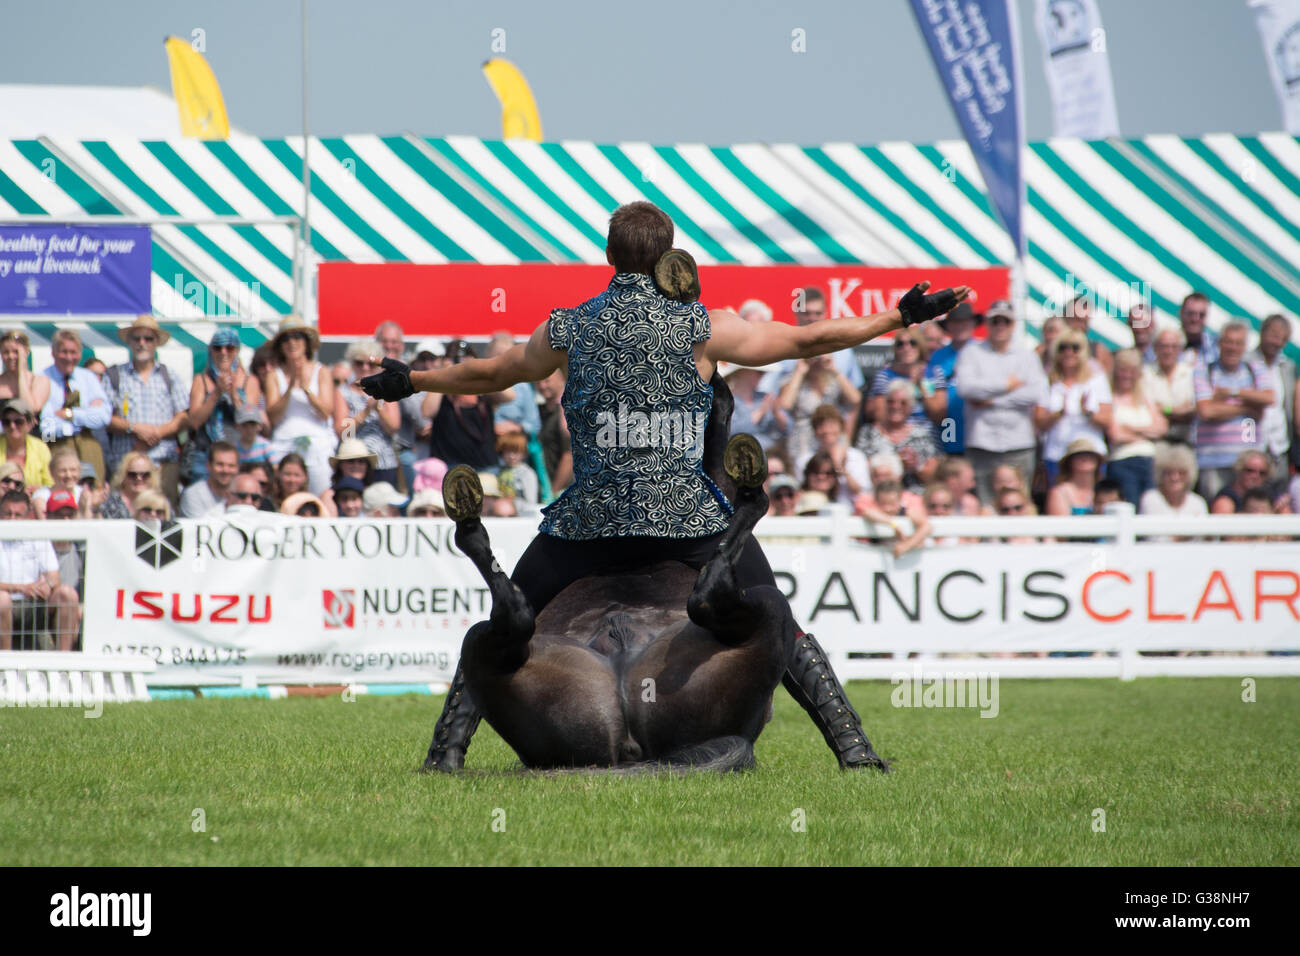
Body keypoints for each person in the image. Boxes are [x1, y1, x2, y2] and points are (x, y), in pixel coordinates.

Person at [360, 200, 967, 771]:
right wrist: (899, 315)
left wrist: (412, 379)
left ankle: (446, 753)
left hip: (589, 524)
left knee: (507, 617)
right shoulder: (700, 326)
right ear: (668, 255)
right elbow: (809, 340)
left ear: (609, 256)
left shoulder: (567, 328)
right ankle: (852, 747)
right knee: (776, 613)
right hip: (687, 519)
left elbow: (493, 373)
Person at [955, 300, 1047, 505]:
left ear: (1013, 324)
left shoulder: (1027, 356)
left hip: (1019, 443)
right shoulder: (971, 353)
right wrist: (1007, 384)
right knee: (985, 504)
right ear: (987, 323)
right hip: (981, 443)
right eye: (995, 321)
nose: (1000, 326)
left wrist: (991, 400)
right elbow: (966, 388)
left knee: (1019, 503)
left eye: (1005, 321)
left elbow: (1036, 393)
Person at [103, 315, 191, 505]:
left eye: (148, 338)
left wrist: (158, 432)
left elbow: (183, 416)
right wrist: (134, 428)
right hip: (126, 466)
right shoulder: (114, 375)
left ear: (156, 343)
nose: (142, 343)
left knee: (164, 520)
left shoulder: (170, 375)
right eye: (137, 338)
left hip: (162, 464)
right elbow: (104, 418)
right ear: (129, 342)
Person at [1192, 321, 1272, 500]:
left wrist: (1231, 393)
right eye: (1228, 342)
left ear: (1245, 346)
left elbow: (1269, 398)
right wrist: (1247, 406)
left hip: (1249, 463)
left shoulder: (1255, 368)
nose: (1232, 348)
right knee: (1218, 514)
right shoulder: (1205, 369)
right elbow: (1206, 411)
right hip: (1213, 460)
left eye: (1238, 343)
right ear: (1220, 343)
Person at [263, 316, 336, 494]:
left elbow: (326, 412)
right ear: (280, 345)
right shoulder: (274, 375)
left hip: (317, 446)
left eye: (297, 337)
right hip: (284, 446)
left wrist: (306, 389)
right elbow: (273, 416)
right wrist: (289, 389)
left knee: (320, 496)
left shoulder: (322, 371)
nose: (291, 342)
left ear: (306, 342)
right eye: (285, 339)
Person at [0, 489, 80, 651]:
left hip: (35, 603)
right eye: (7, 514)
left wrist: (47, 585)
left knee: (67, 593)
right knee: (3, 600)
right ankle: (4, 662)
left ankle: (64, 663)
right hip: (4, 602)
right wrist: (21, 589)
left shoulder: (38, 536)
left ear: (28, 516)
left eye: (18, 515)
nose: (12, 519)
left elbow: (54, 576)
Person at [1035, 328, 1112, 487]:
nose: (1069, 352)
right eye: (1063, 347)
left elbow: (1107, 420)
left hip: (1090, 454)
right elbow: (1038, 422)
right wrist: (1057, 414)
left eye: (1075, 347)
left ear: (1083, 351)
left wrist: (1088, 412)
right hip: (1057, 454)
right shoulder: (1048, 381)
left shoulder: (1096, 380)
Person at [188, 327, 263, 483]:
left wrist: (233, 393)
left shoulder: (250, 381)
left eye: (229, 348)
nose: (223, 352)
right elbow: (194, 421)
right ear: (211, 351)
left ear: (237, 350)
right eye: (218, 347)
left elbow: (250, 422)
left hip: (240, 454)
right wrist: (216, 393)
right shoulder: (201, 380)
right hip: (205, 455)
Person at [39, 329, 111, 481]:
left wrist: (69, 414)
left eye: (74, 352)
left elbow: (104, 418)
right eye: (64, 352)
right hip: (56, 445)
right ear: (53, 352)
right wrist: (86, 415)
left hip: (88, 443)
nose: (69, 357)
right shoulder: (42, 378)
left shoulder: (88, 378)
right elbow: (47, 427)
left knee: (92, 491)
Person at [334, 340, 400, 486]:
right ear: (352, 364)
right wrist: (365, 412)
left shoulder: (387, 390)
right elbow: (343, 433)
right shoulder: (343, 392)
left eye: (370, 364)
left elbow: (393, 428)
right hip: (353, 464)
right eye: (359, 363)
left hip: (383, 462)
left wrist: (379, 410)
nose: (365, 368)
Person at [1106, 348, 1167, 505]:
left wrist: (1131, 429)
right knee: (1130, 505)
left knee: (1151, 505)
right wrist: (1146, 433)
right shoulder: (1109, 397)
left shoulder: (1144, 397)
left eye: (1132, 371)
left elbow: (1161, 428)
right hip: (1122, 462)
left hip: (1150, 461)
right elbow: (1116, 435)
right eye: (1123, 370)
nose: (1127, 375)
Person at [854, 381, 939, 493]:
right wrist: (893, 463)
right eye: (891, 401)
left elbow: (934, 475)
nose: (896, 406)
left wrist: (916, 466)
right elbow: (860, 468)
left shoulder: (921, 435)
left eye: (903, 403)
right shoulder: (868, 432)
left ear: (911, 406)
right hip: (878, 494)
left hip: (913, 495)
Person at [1247, 313, 1296, 487]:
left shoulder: (1287, 366)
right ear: (1262, 332)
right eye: (1274, 335)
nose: (1277, 342)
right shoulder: (1246, 362)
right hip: (1251, 443)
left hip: (1279, 447)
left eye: (1282, 339)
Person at [867, 327, 946, 431]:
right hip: (894, 435)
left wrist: (920, 386)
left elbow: (939, 416)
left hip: (927, 437)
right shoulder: (885, 375)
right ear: (896, 349)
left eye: (912, 343)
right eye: (901, 344)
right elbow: (880, 415)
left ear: (920, 346)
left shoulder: (935, 372)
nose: (906, 348)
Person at [925, 302, 980, 454]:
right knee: (951, 461)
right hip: (948, 423)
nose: (960, 326)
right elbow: (929, 387)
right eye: (955, 322)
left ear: (973, 324)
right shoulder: (938, 356)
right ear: (948, 326)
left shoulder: (984, 352)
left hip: (977, 423)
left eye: (964, 322)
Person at [797, 404, 869, 499]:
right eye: (821, 426)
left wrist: (840, 468)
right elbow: (802, 491)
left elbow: (861, 491)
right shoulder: (804, 460)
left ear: (841, 428)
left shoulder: (856, 457)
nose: (826, 430)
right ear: (815, 430)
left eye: (831, 425)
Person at [1144, 327, 1197, 447]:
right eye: (1164, 346)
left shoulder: (1191, 374)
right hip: (1155, 442)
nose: (1168, 351)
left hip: (1188, 440)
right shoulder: (1145, 374)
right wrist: (1179, 410)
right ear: (1155, 348)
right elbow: (1148, 410)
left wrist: (1164, 409)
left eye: (1174, 346)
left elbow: (1194, 409)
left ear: (1180, 349)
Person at [0, 398, 52, 490]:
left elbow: (50, 482)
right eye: (7, 422)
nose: (12, 426)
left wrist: (38, 490)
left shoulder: (41, 448)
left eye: (18, 422)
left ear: (30, 424)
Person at [1046, 437, 1105, 516]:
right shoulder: (1060, 492)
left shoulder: (1105, 489)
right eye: (1079, 455)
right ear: (1069, 461)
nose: (1085, 458)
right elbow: (1060, 525)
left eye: (1090, 455)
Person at [536, 368, 572, 495]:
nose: (542, 386)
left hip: (564, 489)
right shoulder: (539, 411)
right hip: (544, 487)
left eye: (547, 381)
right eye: (538, 382)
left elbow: (569, 456)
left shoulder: (567, 412)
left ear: (561, 379)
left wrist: (552, 491)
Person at [179, 442, 240, 517]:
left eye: (231, 466)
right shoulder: (193, 495)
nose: (226, 470)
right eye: (220, 464)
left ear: (237, 468)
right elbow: (201, 527)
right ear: (208, 466)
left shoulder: (244, 496)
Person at [0, 330, 51, 418]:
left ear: (26, 352)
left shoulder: (40, 381)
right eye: (6, 352)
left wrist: (21, 374)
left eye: (16, 352)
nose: (11, 356)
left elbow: (29, 410)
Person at [1209, 450, 1277, 514]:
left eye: (1262, 473)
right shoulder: (1225, 500)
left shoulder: (1271, 496)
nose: (1256, 476)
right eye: (1250, 471)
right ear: (1239, 470)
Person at [97, 452, 161, 519]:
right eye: (132, 475)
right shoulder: (110, 502)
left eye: (145, 474)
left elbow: (171, 526)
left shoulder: (159, 502)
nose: (139, 478)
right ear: (123, 476)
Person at [496, 432, 539, 505]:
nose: (511, 456)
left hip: (520, 514)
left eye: (516, 452)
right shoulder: (496, 472)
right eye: (507, 452)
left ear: (523, 453)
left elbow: (531, 502)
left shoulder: (528, 473)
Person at [1179, 292, 1218, 367]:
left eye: (1201, 315)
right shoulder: (1167, 344)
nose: (1195, 319)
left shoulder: (1216, 346)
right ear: (1181, 313)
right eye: (1190, 314)